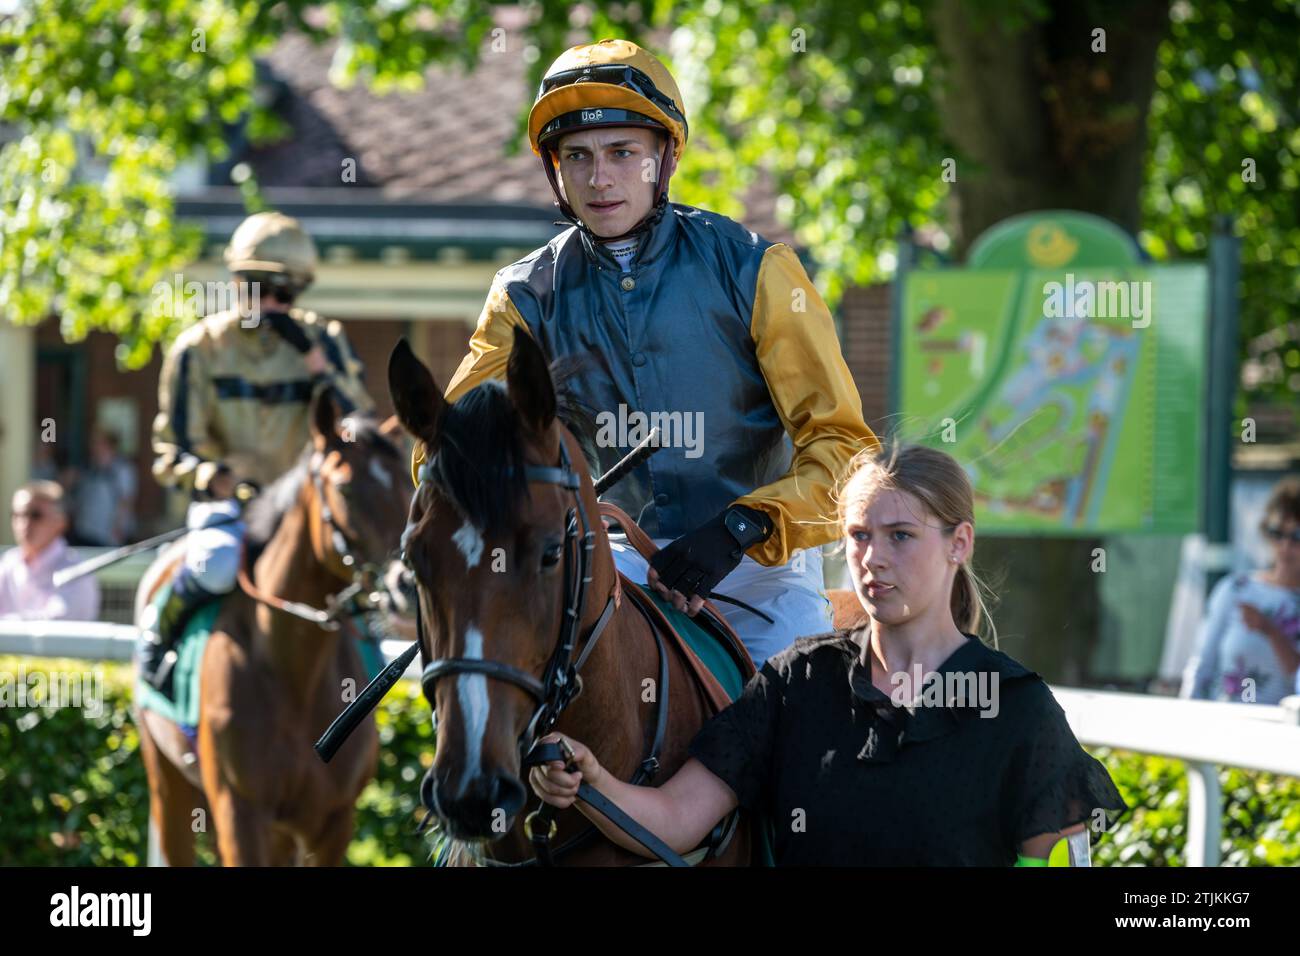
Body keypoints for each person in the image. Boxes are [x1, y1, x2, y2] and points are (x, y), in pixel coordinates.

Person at [418, 38, 879, 668]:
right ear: (556, 171)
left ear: (665, 156)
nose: (598, 177)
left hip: (755, 571)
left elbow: (845, 448)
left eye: (622, 152)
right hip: (607, 562)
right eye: (576, 156)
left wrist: (743, 527)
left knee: (795, 717)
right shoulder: (522, 296)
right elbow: (448, 444)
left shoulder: (757, 269)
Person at [529, 443, 1129, 865]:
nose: (873, 558)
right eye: (860, 536)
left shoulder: (1020, 711)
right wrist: (591, 778)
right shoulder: (794, 684)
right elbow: (676, 818)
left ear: (959, 544)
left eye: (901, 536)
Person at [143, 211, 372, 690]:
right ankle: (157, 646)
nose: (269, 303)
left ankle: (370, 690)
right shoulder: (197, 349)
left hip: (302, 512)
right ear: (234, 282)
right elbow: (169, 453)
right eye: (256, 288)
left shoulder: (324, 340)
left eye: (283, 293)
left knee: (365, 580)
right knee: (215, 565)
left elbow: (358, 428)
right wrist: (210, 477)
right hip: (230, 510)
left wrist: (317, 367)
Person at [1181, 476, 1300, 705]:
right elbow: (1202, 663)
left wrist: (1270, 631)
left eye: (1296, 536)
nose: (1285, 546)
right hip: (1226, 724)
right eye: (1277, 533)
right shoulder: (1235, 589)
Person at [0, 481, 100, 621]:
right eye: (16, 515)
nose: (24, 523)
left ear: (61, 522)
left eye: (35, 515)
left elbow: (59, 623)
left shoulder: (77, 570)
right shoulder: (8, 562)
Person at [69, 428, 138, 548]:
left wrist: (119, 527)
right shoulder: (88, 467)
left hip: (108, 534)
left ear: (109, 444)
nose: (93, 446)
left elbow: (126, 500)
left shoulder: (122, 470)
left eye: (97, 442)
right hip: (85, 531)